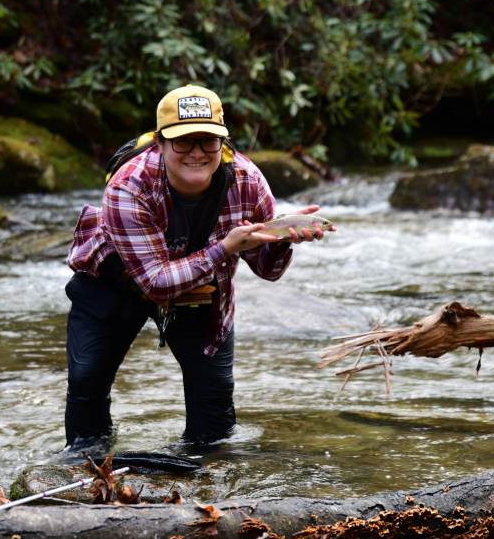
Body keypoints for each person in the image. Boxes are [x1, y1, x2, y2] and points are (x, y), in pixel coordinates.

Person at [64, 84, 331, 451]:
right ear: (160, 143)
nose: (196, 153)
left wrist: (283, 236)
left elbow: (268, 270)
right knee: (86, 381)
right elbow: (155, 282)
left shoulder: (247, 181)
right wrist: (225, 248)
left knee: (214, 407)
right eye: (183, 141)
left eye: (207, 141)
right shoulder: (129, 187)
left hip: (201, 292)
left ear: (222, 142)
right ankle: (87, 465)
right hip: (115, 281)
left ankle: (209, 483)